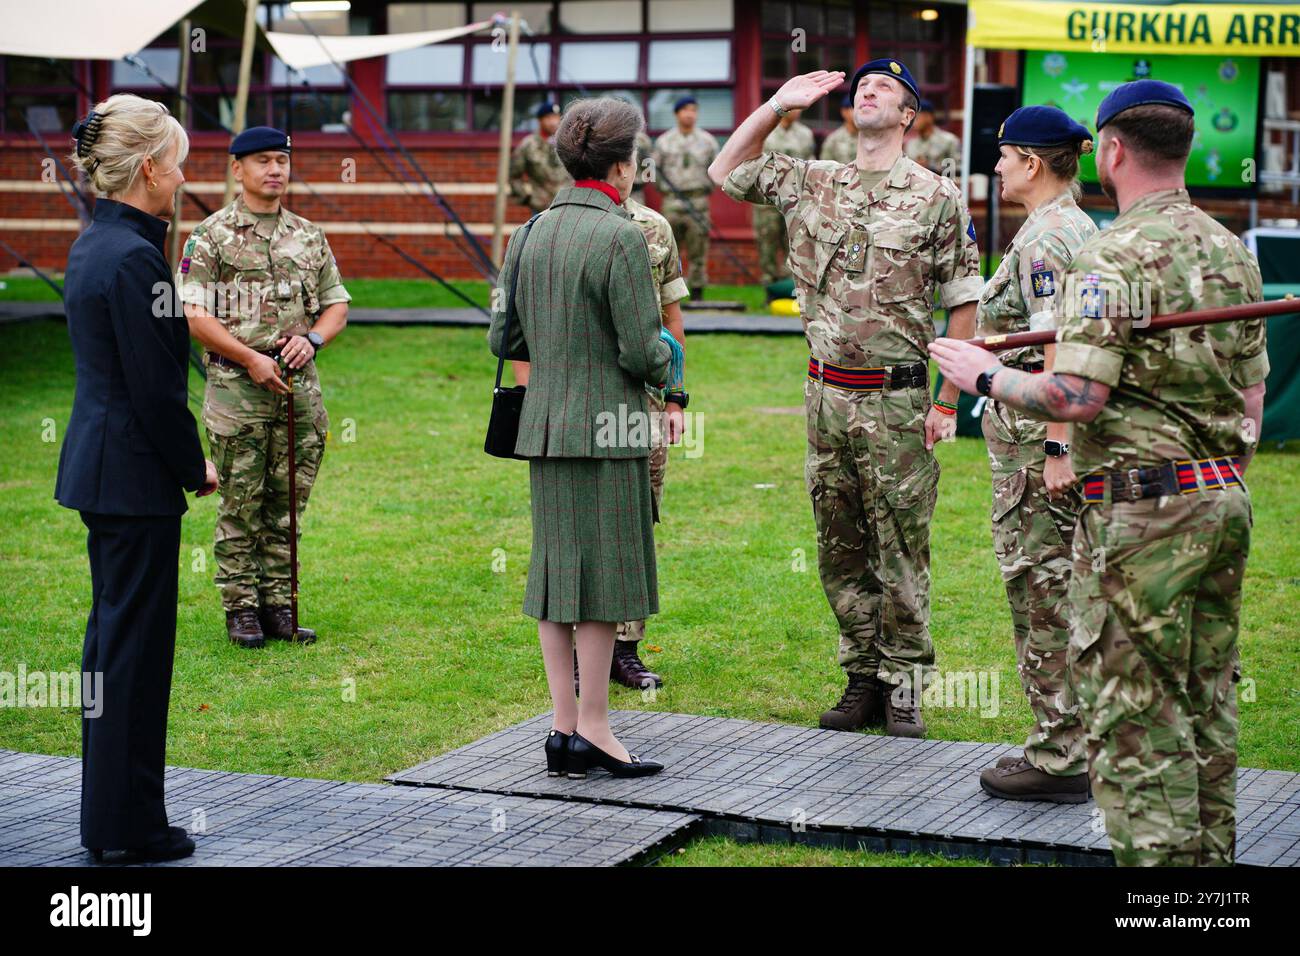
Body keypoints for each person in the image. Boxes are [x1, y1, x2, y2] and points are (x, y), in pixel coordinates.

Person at [930, 80, 1268, 866]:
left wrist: (981, 374)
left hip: (1139, 516)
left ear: (1112, 151)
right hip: (1221, 500)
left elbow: (1075, 395)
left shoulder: (1106, 255)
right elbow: (1251, 393)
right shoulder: (1229, 250)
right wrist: (1220, 471)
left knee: (1135, 728)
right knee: (1205, 710)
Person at [709, 62, 983, 738]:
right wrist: (776, 105)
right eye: (862, 86)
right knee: (839, 547)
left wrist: (949, 401)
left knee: (902, 545)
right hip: (826, 395)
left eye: (885, 88)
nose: (869, 91)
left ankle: (906, 684)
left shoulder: (935, 196)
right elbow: (725, 171)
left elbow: (963, 302)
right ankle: (861, 677)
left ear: (911, 116)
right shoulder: (813, 179)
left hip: (898, 400)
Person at [490, 97, 673, 779]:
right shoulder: (622, 236)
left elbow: (500, 338)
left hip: (545, 425)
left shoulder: (530, 231)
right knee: (604, 580)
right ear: (623, 167)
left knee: (556, 575)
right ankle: (594, 728)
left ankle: (563, 728)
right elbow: (640, 351)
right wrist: (667, 361)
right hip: (610, 426)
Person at [58, 94, 218, 864]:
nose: (185, 177)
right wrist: (197, 468)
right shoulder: (135, 257)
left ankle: (111, 822)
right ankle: (128, 832)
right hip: (134, 479)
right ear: (151, 167)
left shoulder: (92, 245)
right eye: (179, 162)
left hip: (102, 471)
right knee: (133, 656)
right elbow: (157, 390)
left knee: (110, 648)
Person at [178, 126, 351, 649]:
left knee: (286, 506)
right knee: (240, 504)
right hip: (238, 396)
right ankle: (241, 609)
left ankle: (279, 605)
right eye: (262, 161)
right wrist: (249, 357)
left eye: (281, 160)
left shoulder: (308, 234)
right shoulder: (210, 235)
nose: (274, 169)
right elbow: (194, 314)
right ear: (238, 169)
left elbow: (336, 304)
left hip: (299, 397)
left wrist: (314, 340)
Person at [971, 106, 1097, 805]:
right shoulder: (1069, 225)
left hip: (1035, 447)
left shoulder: (1050, 235)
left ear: (1032, 162)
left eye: (1004, 155)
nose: (995, 167)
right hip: (1033, 440)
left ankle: (1058, 757)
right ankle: (1073, 739)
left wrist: (1056, 445)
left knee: (1040, 591)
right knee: (1061, 588)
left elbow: (1060, 345)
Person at [607, 192, 690, 690]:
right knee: (583, 524)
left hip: (644, 403)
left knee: (637, 520)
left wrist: (675, 395)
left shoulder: (654, 226)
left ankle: (624, 650)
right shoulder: (552, 224)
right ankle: (580, 649)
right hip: (583, 399)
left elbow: (671, 318)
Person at [653, 96, 720, 299]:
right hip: (672, 202)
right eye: (685, 110)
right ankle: (668, 293)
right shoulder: (664, 141)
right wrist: (664, 189)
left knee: (698, 248)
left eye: (693, 110)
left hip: (698, 201)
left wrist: (705, 189)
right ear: (676, 114)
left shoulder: (707, 141)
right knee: (668, 249)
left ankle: (697, 291)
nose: (689, 114)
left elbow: (716, 169)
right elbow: (653, 170)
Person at [755, 108, 816, 286]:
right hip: (768, 198)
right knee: (767, 242)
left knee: (796, 242)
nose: (796, 111)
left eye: (799, 109)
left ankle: (793, 287)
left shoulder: (805, 134)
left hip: (795, 198)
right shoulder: (766, 129)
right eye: (793, 107)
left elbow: (810, 163)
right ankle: (769, 285)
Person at [508, 101, 572, 215]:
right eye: (548, 118)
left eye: (556, 117)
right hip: (541, 209)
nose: (553, 122)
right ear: (540, 120)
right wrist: (527, 198)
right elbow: (514, 176)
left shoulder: (569, 142)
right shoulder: (528, 145)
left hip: (567, 206)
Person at [905, 100, 960, 177]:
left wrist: (931, 168)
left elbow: (960, 168)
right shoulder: (911, 144)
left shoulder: (949, 140)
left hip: (942, 186)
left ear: (929, 117)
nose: (913, 121)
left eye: (917, 117)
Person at [820, 94, 858, 164]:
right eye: (854, 108)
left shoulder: (870, 138)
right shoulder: (833, 139)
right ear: (844, 112)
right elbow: (825, 168)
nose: (859, 112)